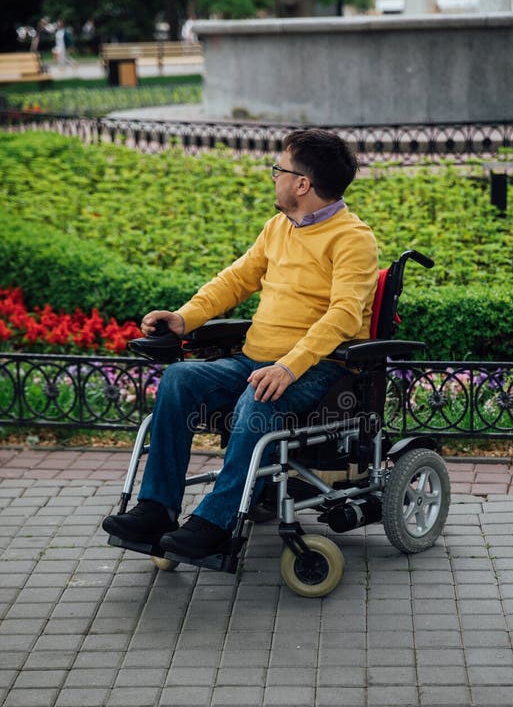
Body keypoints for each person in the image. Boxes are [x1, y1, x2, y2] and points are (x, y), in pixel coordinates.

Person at [102, 128, 379, 559]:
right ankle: (156, 508)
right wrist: (183, 318)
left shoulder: (352, 239)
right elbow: (236, 280)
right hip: (254, 360)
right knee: (179, 379)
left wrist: (288, 366)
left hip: (317, 368)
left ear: (302, 184)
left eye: (279, 170)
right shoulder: (277, 228)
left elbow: (344, 315)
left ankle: (217, 521)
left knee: (259, 395)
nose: (274, 177)